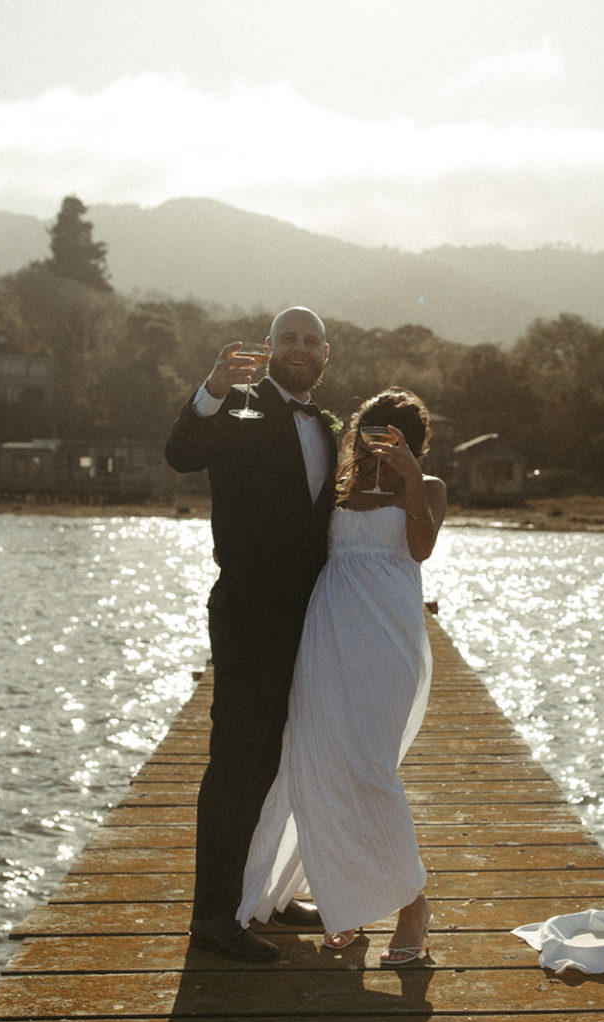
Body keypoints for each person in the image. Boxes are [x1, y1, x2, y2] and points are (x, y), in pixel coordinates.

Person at [238, 387, 448, 968]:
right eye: (374, 431)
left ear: (416, 443)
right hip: (328, 630)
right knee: (319, 762)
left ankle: (413, 906)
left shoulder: (428, 487)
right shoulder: (337, 485)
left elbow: (421, 549)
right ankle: (346, 904)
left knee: (371, 769)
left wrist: (410, 476)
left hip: (388, 634)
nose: (383, 444)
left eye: (398, 437)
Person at [164, 306, 338, 962]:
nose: (299, 348)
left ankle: (265, 891)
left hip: (313, 618)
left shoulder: (329, 426)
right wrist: (211, 389)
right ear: (267, 347)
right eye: (288, 338)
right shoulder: (235, 407)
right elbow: (181, 454)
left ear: (326, 353)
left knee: (287, 757)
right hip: (249, 614)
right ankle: (213, 917)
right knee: (238, 763)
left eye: (311, 340)